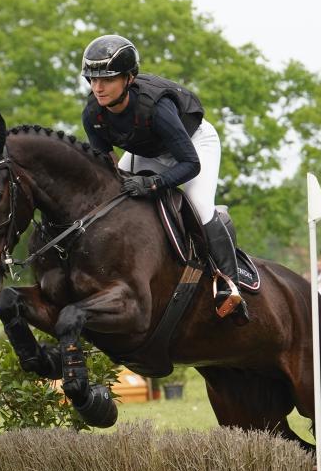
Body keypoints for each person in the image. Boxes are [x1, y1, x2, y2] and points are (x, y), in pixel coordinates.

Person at [79, 34, 248, 322]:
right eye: (93, 79)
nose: (98, 88)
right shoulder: (93, 114)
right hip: (147, 150)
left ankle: (230, 287)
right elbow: (106, 166)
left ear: (129, 78)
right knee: (113, 200)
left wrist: (152, 183)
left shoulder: (156, 108)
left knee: (199, 207)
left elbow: (190, 164)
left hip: (193, 145)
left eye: (107, 79)